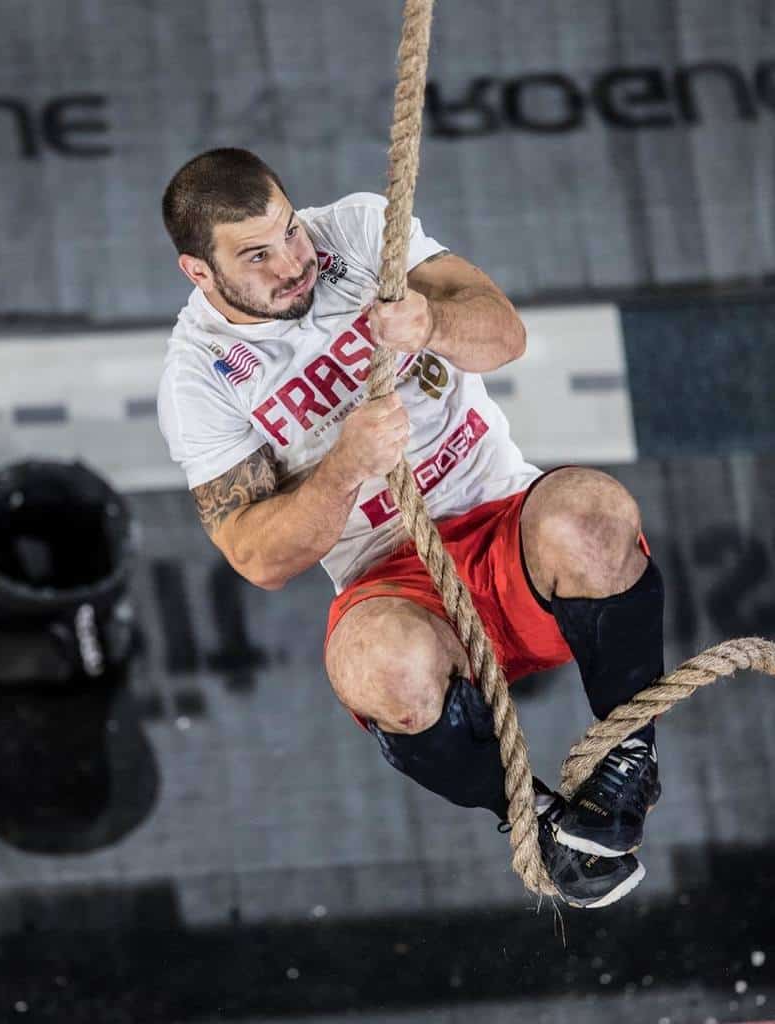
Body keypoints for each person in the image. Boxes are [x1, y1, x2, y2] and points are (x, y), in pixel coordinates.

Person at [158, 147, 662, 909]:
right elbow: (258, 557)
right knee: (370, 665)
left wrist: (430, 320)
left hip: (507, 530)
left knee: (589, 511)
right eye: (256, 255)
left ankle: (628, 758)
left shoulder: (361, 232)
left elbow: (503, 336)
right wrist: (342, 467)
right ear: (200, 273)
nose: (292, 263)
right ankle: (535, 821)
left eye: (289, 231)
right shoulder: (197, 378)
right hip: (394, 585)